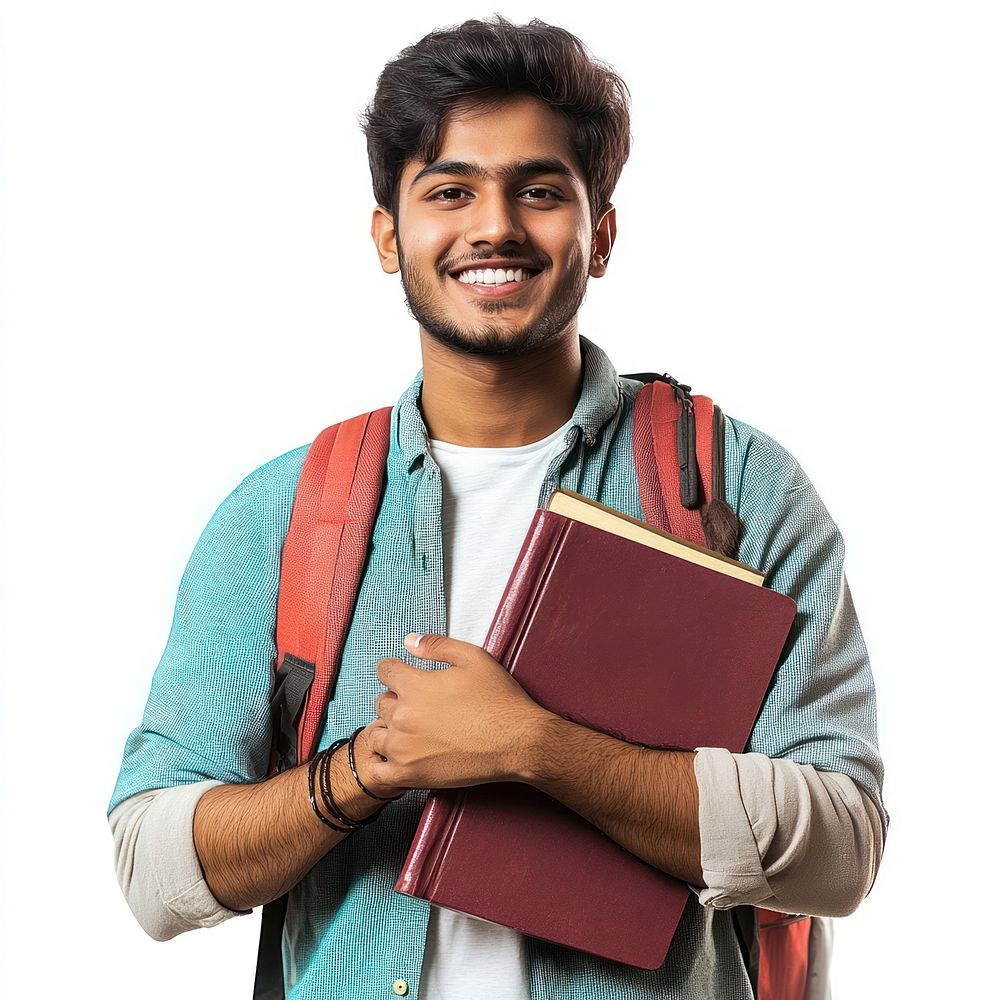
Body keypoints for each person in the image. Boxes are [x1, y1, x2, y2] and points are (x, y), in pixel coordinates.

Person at [108, 16, 887, 1000]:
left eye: (540, 191)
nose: (495, 227)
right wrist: (368, 768)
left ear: (601, 235)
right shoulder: (284, 511)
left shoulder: (737, 488)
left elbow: (843, 847)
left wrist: (531, 747)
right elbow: (152, 872)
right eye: (450, 191)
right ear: (388, 234)